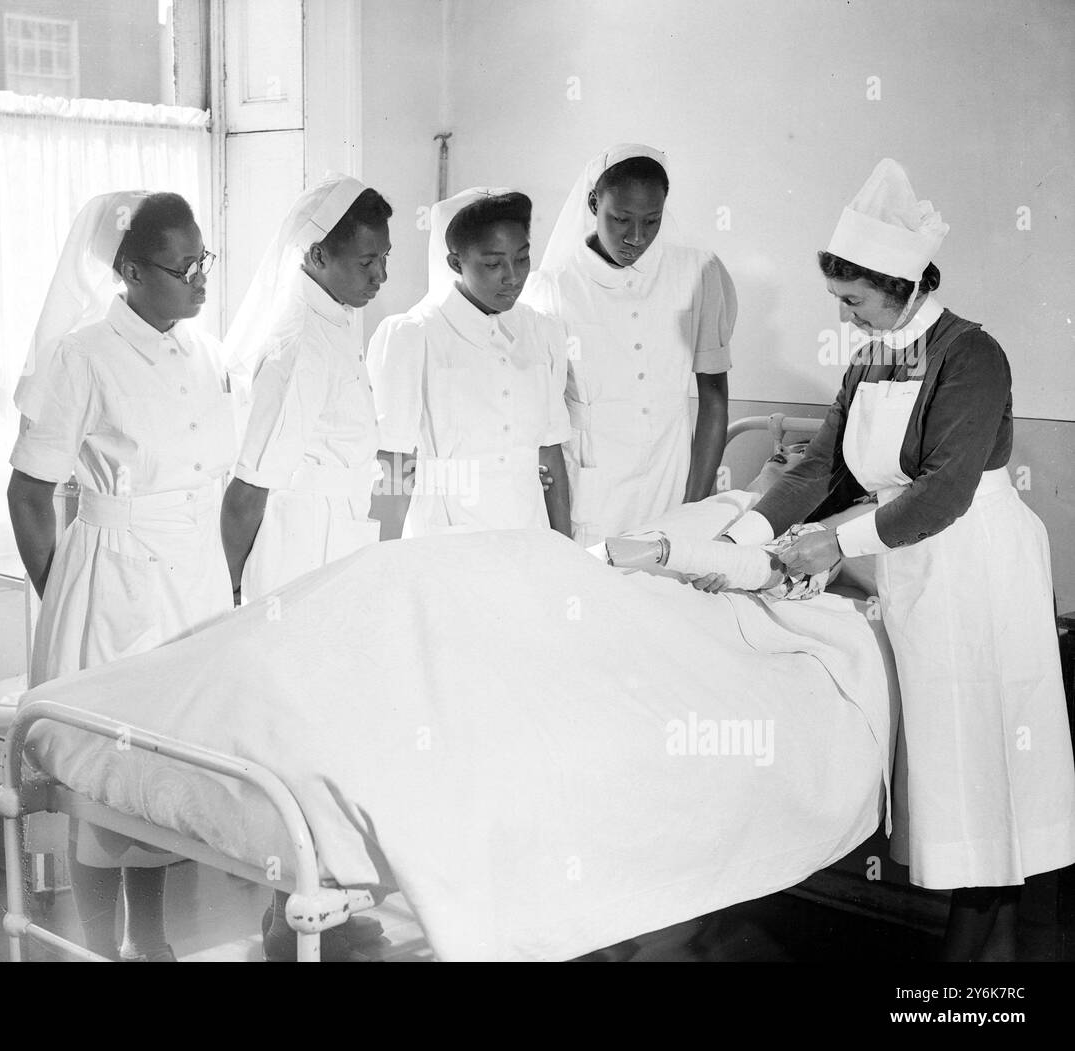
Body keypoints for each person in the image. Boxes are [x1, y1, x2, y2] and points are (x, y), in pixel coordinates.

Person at [722, 158, 1075, 961]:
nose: (846, 318)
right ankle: (991, 963)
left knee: (984, 763)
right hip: (912, 568)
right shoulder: (875, 356)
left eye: (853, 300)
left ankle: (968, 972)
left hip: (979, 570)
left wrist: (831, 540)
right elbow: (820, 467)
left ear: (900, 283)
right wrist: (741, 536)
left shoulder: (970, 354)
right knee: (951, 775)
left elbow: (945, 491)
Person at [7, 191, 235, 962]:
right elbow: (29, 490)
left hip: (191, 583)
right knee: (102, 784)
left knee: (165, 777)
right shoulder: (84, 355)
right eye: (184, 266)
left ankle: (156, 940)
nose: (201, 278)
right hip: (112, 583)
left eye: (205, 259)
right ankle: (102, 947)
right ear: (131, 271)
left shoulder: (203, 350)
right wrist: (65, 594)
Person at [218, 174, 392, 960]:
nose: (380, 277)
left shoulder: (337, 324)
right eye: (366, 262)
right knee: (296, 744)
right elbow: (247, 492)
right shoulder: (297, 343)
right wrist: (229, 594)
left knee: (334, 738)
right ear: (317, 254)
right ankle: (290, 915)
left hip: (338, 554)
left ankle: (327, 902)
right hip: (295, 565)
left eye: (385, 259)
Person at [523, 144, 736, 547]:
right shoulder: (553, 288)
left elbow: (714, 398)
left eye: (651, 221)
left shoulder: (697, 274)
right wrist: (559, 535)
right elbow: (543, 422)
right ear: (593, 203)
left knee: (667, 595)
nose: (636, 237)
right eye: (620, 219)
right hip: (588, 493)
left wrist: (693, 511)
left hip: (671, 482)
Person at [368, 188, 572, 540]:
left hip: (530, 536)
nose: (512, 276)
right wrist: (380, 566)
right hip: (449, 538)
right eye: (493, 264)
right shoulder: (415, 335)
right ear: (456, 263)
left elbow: (551, 452)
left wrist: (567, 553)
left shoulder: (542, 332)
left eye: (522, 258)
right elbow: (393, 466)